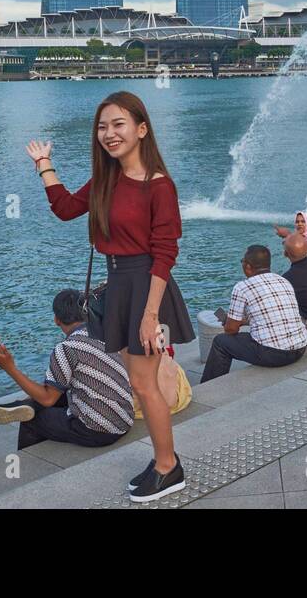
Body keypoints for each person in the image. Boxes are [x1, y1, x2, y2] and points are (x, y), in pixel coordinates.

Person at [27, 90, 195, 504]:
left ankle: (168, 467)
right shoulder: (108, 179)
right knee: (141, 383)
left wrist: (150, 314)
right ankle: (164, 461)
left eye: (118, 124)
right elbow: (66, 208)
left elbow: (165, 252)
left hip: (146, 285)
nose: (109, 133)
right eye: (102, 126)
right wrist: (44, 165)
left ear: (141, 129)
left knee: (145, 384)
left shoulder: (159, 185)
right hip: (118, 284)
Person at [0, 289, 133, 451]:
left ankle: (28, 465)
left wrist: (9, 368)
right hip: (124, 419)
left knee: (31, 419)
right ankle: (24, 405)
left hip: (99, 430)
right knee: (57, 390)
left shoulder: (66, 348)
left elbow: (48, 399)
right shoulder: (102, 334)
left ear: (56, 319)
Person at [202, 244, 307, 381]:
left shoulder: (242, 287)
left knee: (220, 342)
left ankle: (209, 386)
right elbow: (272, 315)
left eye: (242, 261)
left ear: (247, 266)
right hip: (300, 349)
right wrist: (244, 321)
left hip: (275, 355)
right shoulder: (283, 281)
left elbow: (230, 330)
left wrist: (230, 323)